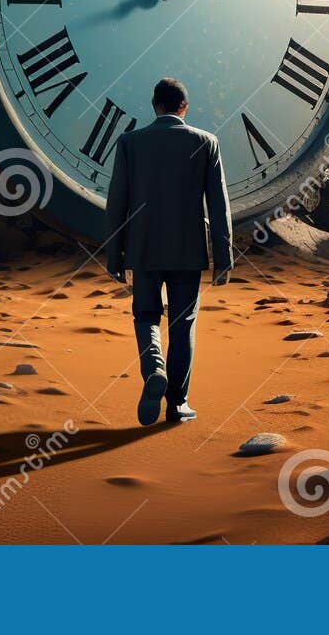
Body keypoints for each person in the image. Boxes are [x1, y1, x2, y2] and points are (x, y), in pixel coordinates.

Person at [104, 77, 232, 426]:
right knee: (182, 324)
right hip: (187, 249)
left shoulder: (130, 142)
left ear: (155, 106)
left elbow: (117, 203)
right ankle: (178, 403)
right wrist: (224, 258)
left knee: (145, 316)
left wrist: (113, 255)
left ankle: (153, 369)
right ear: (184, 108)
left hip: (142, 248)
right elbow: (218, 205)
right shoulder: (207, 142)